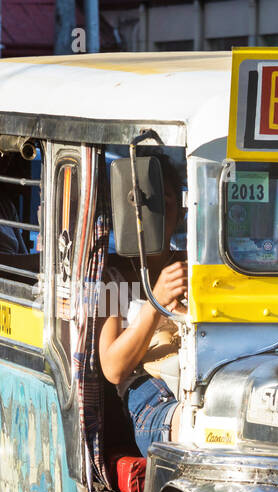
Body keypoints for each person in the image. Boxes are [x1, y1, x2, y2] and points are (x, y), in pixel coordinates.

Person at [97, 156, 187, 457]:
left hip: (201, 383)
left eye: (168, 204)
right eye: (150, 208)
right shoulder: (113, 276)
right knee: (193, 424)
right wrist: (156, 302)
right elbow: (113, 368)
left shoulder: (195, 265)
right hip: (152, 398)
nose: (159, 217)